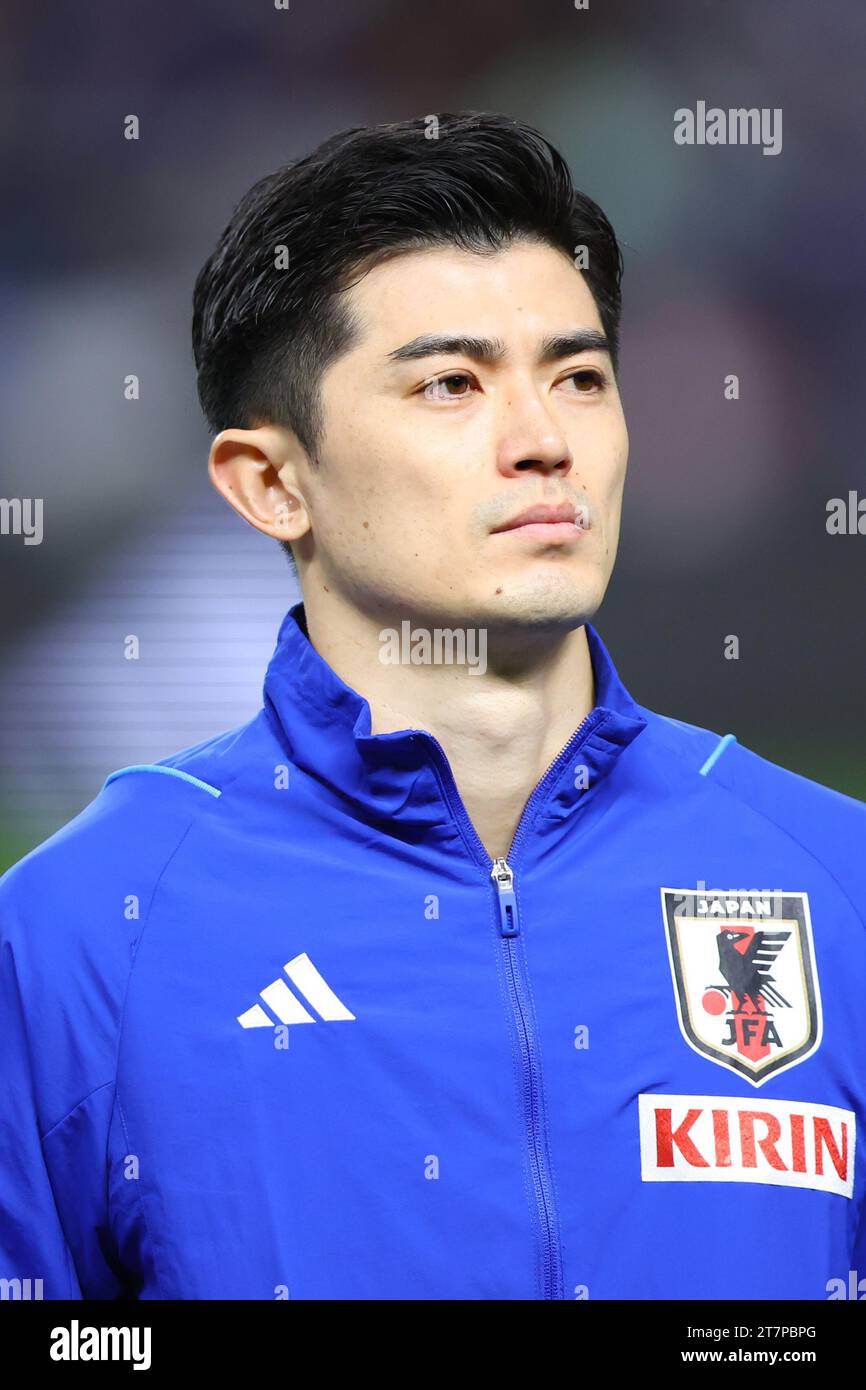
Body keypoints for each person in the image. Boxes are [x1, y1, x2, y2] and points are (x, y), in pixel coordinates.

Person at [1, 113, 864, 1302]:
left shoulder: (836, 878)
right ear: (270, 483)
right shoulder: (77, 934)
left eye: (577, 376)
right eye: (451, 383)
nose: (542, 440)